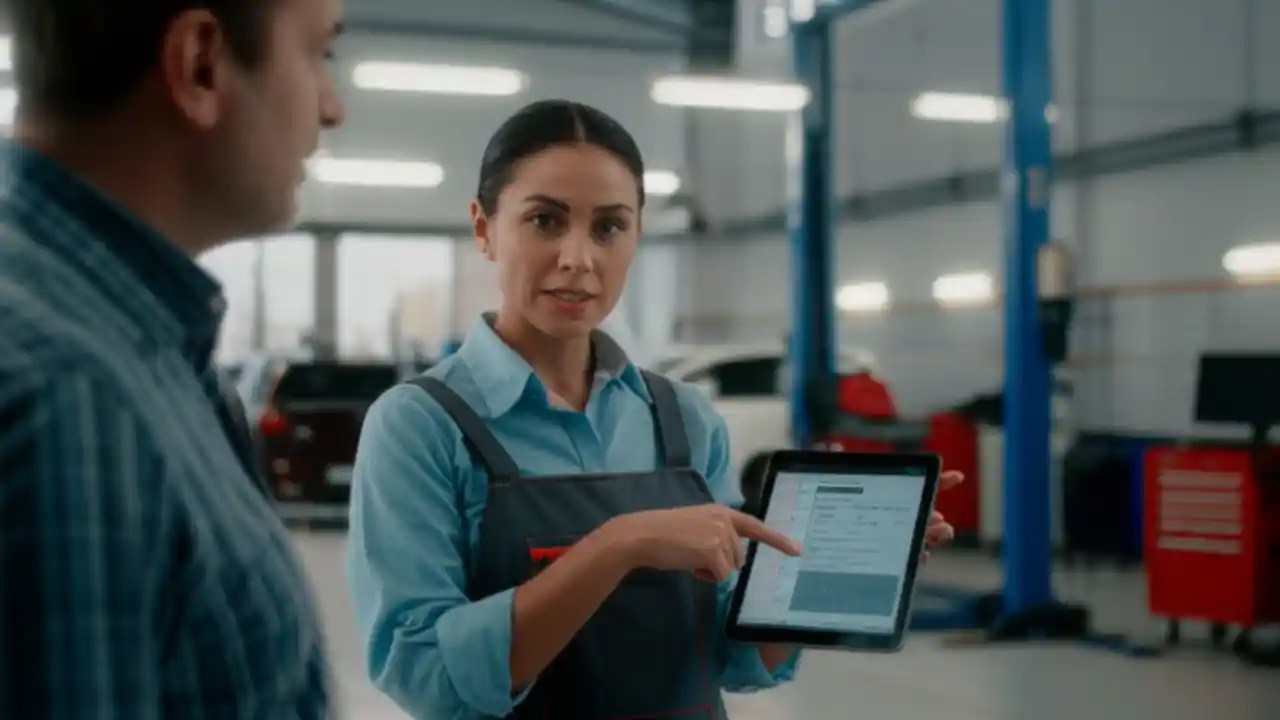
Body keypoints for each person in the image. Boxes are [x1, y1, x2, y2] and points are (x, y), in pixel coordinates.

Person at [345, 99, 962, 719]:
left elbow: (730, 655)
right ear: (484, 228)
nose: (579, 259)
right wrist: (621, 543)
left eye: (609, 226)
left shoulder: (686, 421)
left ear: (637, 235)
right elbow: (425, 673)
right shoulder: (420, 427)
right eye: (545, 220)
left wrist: (817, 577)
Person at [0, 0, 346, 716]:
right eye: (318, 56)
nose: (331, 107)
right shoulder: (73, 398)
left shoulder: (140, 342)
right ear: (200, 65)